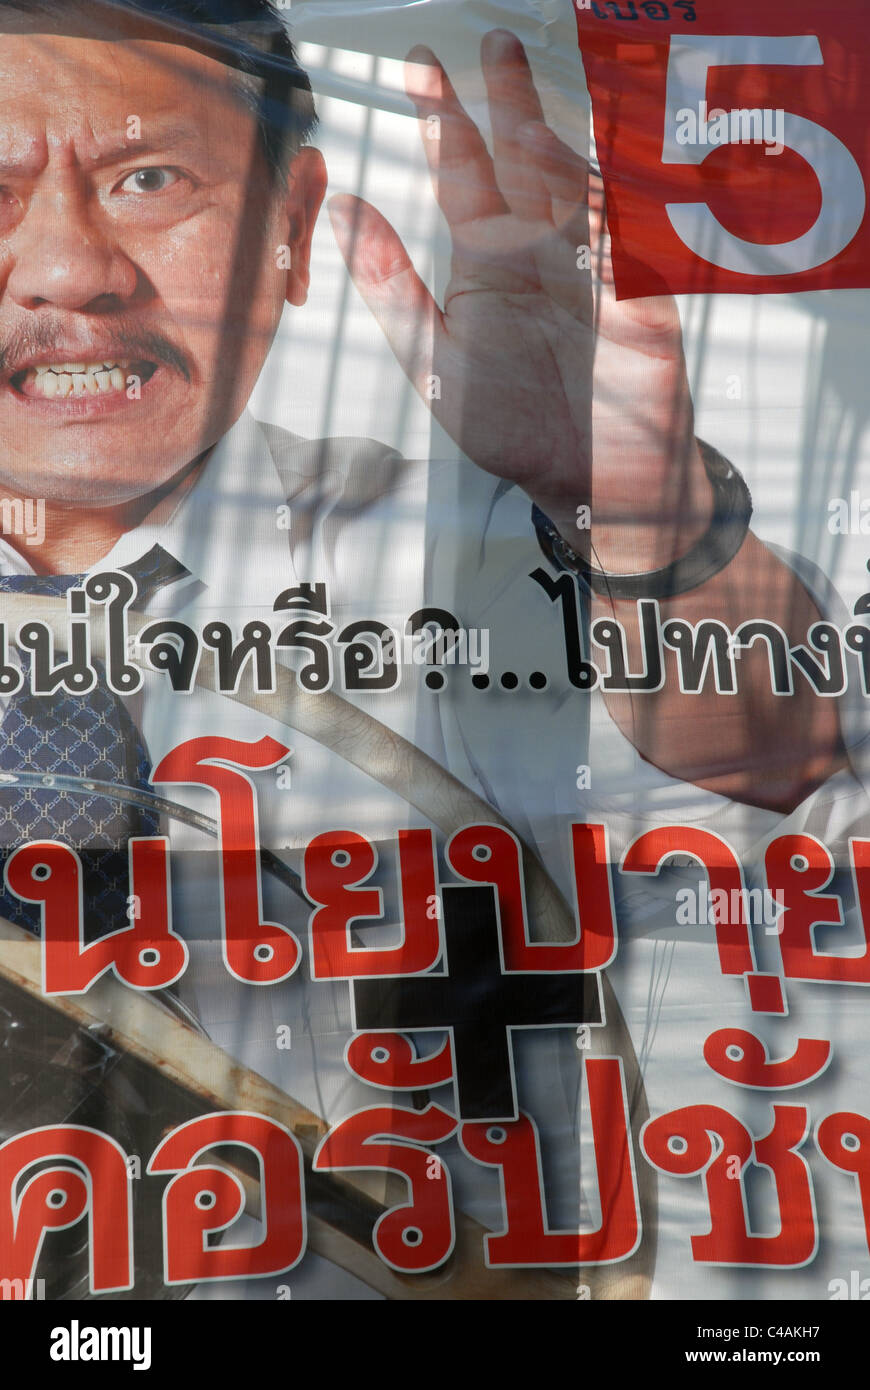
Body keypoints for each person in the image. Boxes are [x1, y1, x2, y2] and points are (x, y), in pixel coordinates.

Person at [0, 0, 862, 1300]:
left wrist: (646, 517)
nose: (69, 268)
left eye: (149, 177)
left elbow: (774, 755)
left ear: (291, 225)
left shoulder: (448, 538)